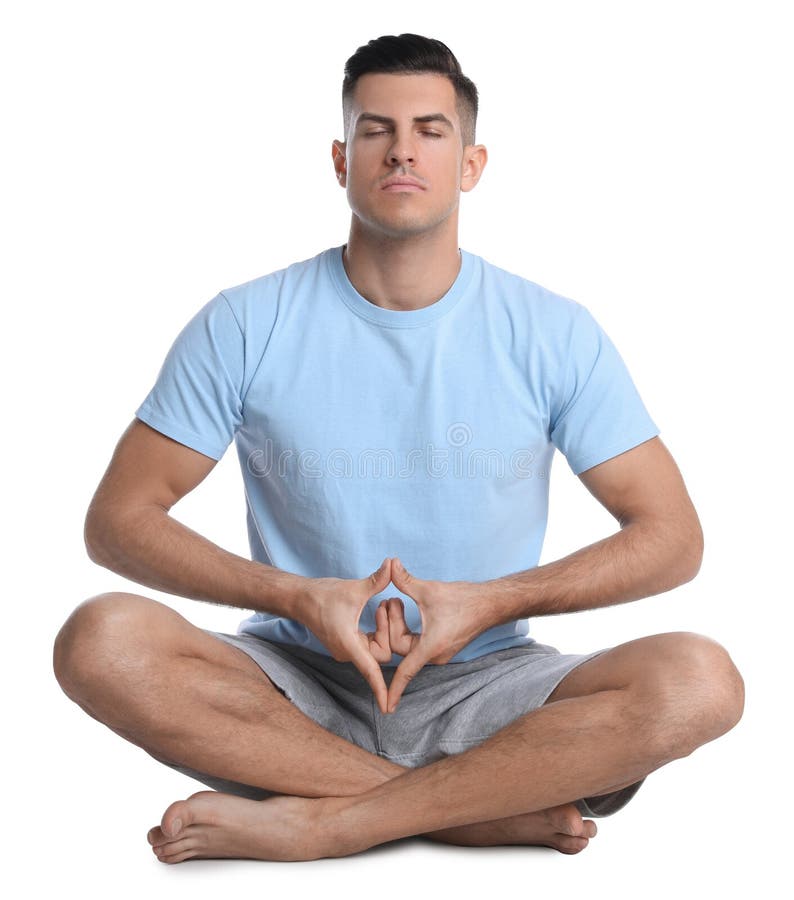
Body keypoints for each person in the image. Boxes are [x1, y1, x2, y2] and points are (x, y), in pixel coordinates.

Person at [53, 33, 744, 863]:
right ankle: (470, 811)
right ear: (341, 160)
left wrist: (490, 604)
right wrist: (299, 598)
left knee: (701, 680)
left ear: (472, 164)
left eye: (430, 130)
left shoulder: (554, 332)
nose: (402, 150)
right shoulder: (245, 321)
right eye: (376, 130)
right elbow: (119, 522)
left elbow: (673, 538)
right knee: (100, 639)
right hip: (293, 684)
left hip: (490, 685)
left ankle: (330, 819)